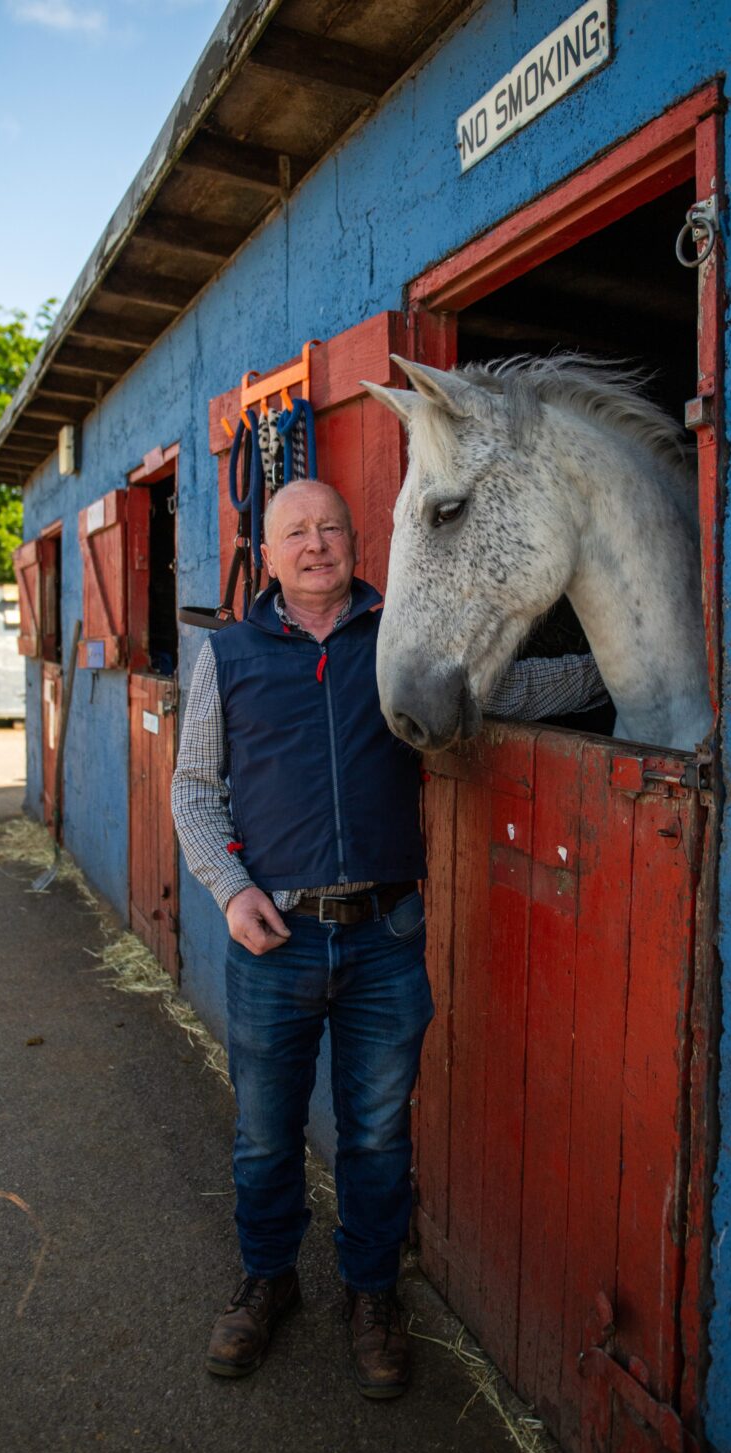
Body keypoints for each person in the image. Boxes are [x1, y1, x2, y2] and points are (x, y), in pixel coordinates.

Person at [171, 479, 606, 1398]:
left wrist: (623, 663)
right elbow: (194, 788)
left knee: (374, 1137)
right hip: (273, 936)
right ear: (270, 549)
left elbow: (512, 686)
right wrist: (229, 888)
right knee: (263, 1134)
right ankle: (267, 1281)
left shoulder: (400, 639)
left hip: (384, 936)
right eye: (296, 531)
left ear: (358, 539)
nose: (317, 544)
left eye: (332, 525)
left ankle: (371, 1295)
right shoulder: (230, 655)